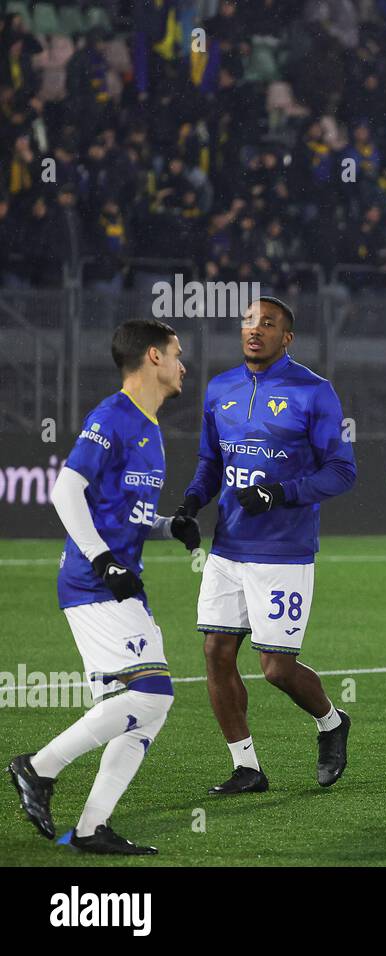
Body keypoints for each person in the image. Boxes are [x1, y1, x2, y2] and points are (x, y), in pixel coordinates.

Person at [8, 320, 198, 855]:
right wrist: (105, 561)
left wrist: (166, 526)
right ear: (153, 357)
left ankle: (92, 827)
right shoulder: (111, 417)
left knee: (141, 711)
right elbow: (66, 491)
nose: (185, 365)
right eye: (178, 354)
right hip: (95, 583)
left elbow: (124, 511)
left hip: (119, 584)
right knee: (153, 694)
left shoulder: (150, 426)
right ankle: (37, 767)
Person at [177, 297, 357, 795]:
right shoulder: (221, 389)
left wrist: (280, 492)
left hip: (284, 551)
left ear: (287, 337)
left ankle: (331, 722)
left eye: (268, 323)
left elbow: (342, 471)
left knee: (275, 668)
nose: (255, 329)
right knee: (216, 651)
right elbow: (210, 462)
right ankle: (247, 768)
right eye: (250, 321)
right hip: (228, 548)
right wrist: (191, 505)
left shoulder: (315, 392)